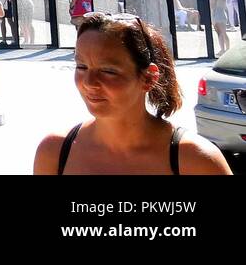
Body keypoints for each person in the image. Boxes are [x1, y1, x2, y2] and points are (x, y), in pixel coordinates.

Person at [34, 13, 231, 175]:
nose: (89, 83)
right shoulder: (54, 152)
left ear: (149, 77)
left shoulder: (196, 160)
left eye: (108, 71)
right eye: (81, 67)